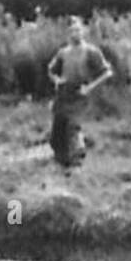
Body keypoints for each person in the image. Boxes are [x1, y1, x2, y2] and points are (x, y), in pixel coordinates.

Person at [47, 15, 113, 169]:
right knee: (57, 132)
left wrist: (90, 87)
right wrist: (56, 80)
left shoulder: (91, 51)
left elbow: (107, 72)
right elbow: (51, 70)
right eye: (71, 31)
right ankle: (61, 162)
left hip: (80, 93)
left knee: (73, 126)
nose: (75, 34)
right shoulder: (63, 53)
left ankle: (77, 161)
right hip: (63, 94)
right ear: (68, 34)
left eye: (77, 30)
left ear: (83, 31)